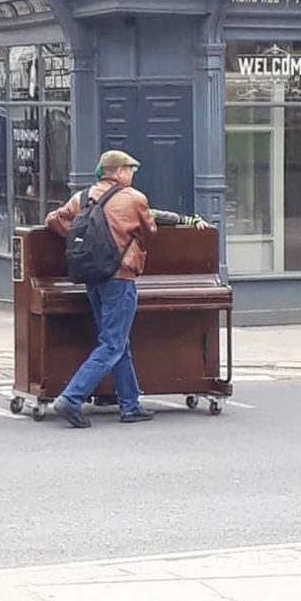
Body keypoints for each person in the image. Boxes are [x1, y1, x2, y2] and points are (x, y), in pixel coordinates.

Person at [45, 149, 210, 428]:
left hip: (92, 278)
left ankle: (129, 405)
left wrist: (91, 242)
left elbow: (54, 221)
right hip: (120, 279)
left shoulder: (81, 198)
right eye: (130, 169)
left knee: (118, 341)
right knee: (111, 344)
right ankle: (70, 399)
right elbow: (149, 232)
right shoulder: (134, 199)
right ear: (119, 172)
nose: (132, 174)